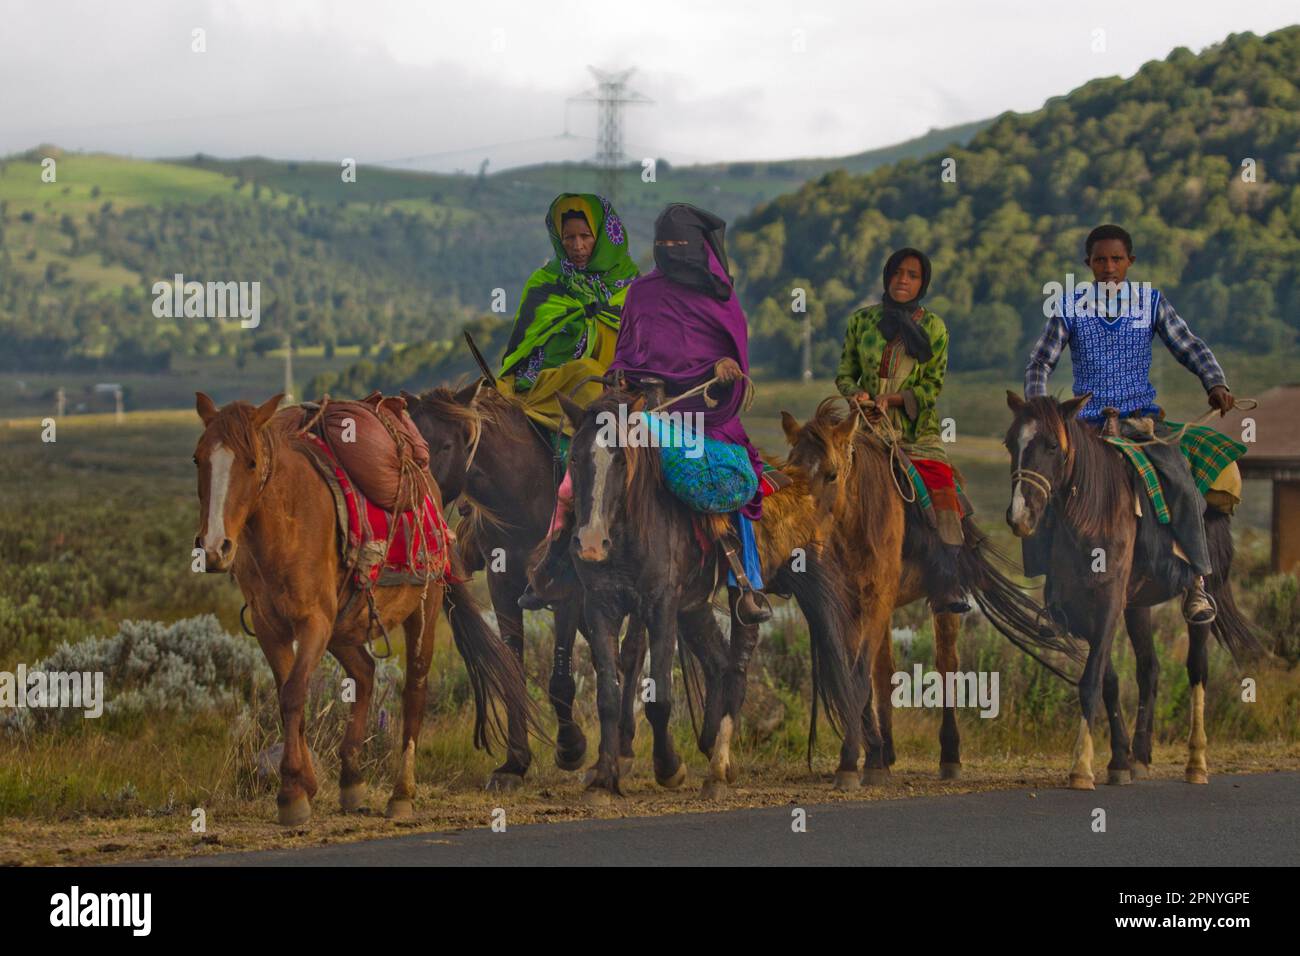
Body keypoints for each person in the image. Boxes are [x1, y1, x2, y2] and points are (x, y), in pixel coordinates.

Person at [525, 203, 771, 625]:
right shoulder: (643, 292)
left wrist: (724, 369)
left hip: (703, 417)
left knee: (733, 484)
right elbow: (628, 353)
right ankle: (554, 563)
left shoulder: (720, 299)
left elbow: (736, 362)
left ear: (698, 246)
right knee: (585, 462)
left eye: (680, 243)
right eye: (663, 244)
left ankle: (745, 582)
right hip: (641, 408)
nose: (671, 251)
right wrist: (620, 375)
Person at [1024, 223, 1234, 624]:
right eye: (1100, 260)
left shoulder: (1151, 303)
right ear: (1088, 264)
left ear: (1129, 262)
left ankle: (1196, 585)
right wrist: (1040, 406)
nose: (1108, 267)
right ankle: (1050, 593)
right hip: (1086, 430)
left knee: (1182, 486)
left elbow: (1188, 345)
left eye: (1116, 259)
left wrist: (1215, 382)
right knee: (1040, 485)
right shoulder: (1069, 307)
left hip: (1141, 424)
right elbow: (1040, 361)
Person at [835, 247, 968, 613]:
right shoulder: (861, 321)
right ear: (886, 277)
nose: (902, 281)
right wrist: (856, 392)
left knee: (942, 490)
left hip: (914, 432)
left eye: (911, 275)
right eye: (896, 273)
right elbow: (844, 373)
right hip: (866, 430)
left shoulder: (935, 328)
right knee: (824, 475)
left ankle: (947, 579)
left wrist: (894, 399)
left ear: (923, 282)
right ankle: (813, 564)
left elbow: (931, 387)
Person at [496, 192, 637, 427]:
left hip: (618, 386)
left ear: (604, 236)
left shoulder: (633, 287)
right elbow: (522, 349)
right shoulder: (544, 283)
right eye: (568, 238)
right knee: (586, 373)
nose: (577, 246)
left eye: (586, 236)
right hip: (551, 385)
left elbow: (644, 344)